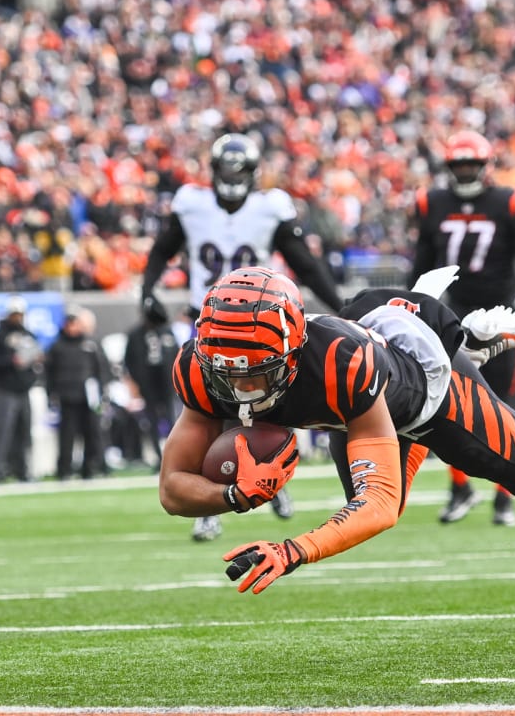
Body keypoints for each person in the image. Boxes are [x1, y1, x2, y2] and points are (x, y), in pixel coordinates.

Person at [157, 267, 515, 609]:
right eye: (226, 370)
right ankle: (467, 340)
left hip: (425, 393)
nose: (240, 387)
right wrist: (230, 497)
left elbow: (378, 507)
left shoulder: (342, 364)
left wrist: (294, 549)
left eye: (256, 371)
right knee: (384, 469)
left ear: (293, 350)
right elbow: (172, 488)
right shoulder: (202, 370)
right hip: (358, 410)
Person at [140, 134, 339, 540]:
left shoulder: (270, 207)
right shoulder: (191, 204)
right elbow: (162, 250)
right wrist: (147, 292)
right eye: (225, 171)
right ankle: (209, 503)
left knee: (266, 402)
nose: (232, 179)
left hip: (258, 320)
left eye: (239, 171)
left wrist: (338, 302)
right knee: (208, 407)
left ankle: (271, 477)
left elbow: (303, 260)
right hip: (207, 320)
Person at [410, 130, 515, 527]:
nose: (466, 171)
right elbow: (421, 262)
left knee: (505, 401)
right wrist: (415, 301)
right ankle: (460, 488)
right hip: (451, 311)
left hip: (500, 310)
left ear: (486, 166)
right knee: (442, 399)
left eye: (472, 164)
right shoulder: (431, 203)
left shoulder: (510, 202)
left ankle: (505, 495)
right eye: (459, 164)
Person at [0, 296, 42, 483]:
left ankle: (22, 469)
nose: (17, 317)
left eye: (20, 314)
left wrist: (32, 370)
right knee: (2, 432)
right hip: (4, 389)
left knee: (24, 432)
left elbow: (34, 360)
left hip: (23, 389)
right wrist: (10, 361)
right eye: (14, 314)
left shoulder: (28, 335)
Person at [45, 306, 111, 480]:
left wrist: (103, 392)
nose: (72, 327)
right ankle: (64, 469)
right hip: (67, 397)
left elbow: (102, 369)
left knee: (91, 433)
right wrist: (51, 395)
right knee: (67, 436)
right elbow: (49, 373)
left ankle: (89, 468)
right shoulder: (57, 346)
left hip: (89, 398)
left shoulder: (91, 344)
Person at [123, 306, 181, 468]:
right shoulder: (135, 335)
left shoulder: (166, 331)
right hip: (147, 384)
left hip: (166, 383)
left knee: (172, 419)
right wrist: (136, 384)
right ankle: (159, 457)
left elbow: (177, 355)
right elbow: (128, 361)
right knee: (152, 421)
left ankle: (174, 457)